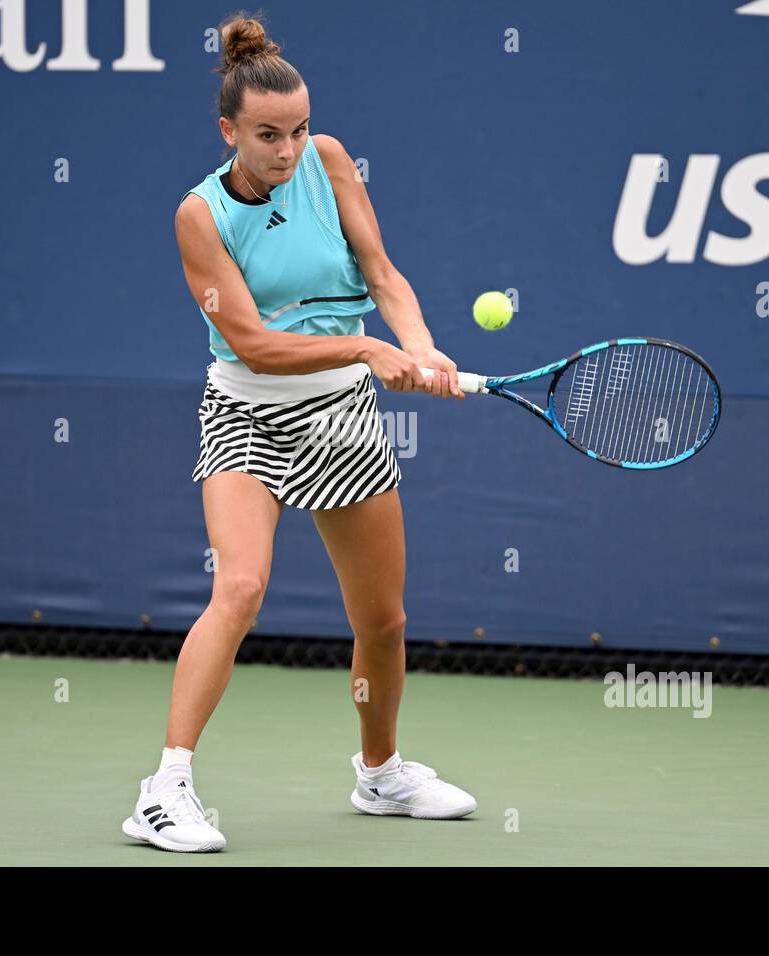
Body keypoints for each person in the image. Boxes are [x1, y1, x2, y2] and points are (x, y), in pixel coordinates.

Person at [122, 11, 476, 853]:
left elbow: (382, 275)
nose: (288, 150)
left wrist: (418, 350)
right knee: (240, 588)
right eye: (268, 135)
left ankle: (380, 772)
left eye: (299, 130)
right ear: (229, 131)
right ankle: (163, 789)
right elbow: (251, 342)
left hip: (342, 413)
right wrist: (366, 346)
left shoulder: (328, 162)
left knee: (383, 619)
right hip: (246, 409)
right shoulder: (200, 217)